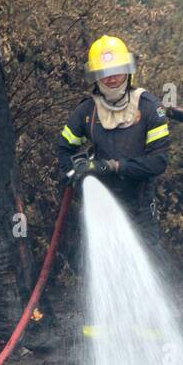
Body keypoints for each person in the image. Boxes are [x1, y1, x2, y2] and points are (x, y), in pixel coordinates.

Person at [57, 35, 170, 255]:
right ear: (95, 76)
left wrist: (114, 166)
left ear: (128, 70)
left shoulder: (149, 108)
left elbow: (158, 163)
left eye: (116, 71)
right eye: (104, 73)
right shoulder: (86, 112)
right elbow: (65, 147)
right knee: (107, 254)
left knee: (149, 254)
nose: (111, 78)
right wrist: (75, 174)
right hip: (102, 203)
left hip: (140, 201)